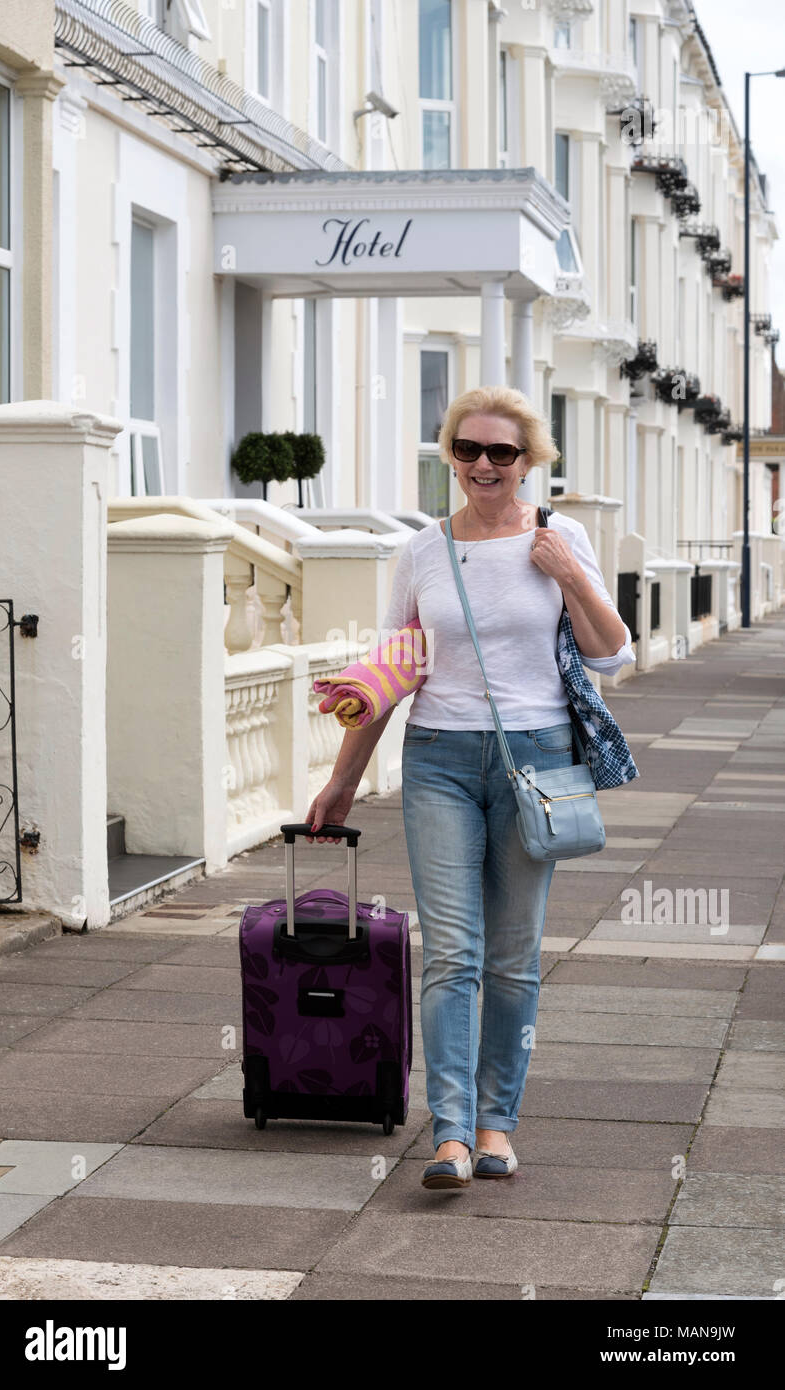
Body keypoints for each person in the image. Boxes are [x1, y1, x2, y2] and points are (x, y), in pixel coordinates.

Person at [305, 385, 635, 1190]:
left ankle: (498, 1126)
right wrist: (342, 780)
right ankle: (451, 1135)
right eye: (468, 450)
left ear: (530, 461)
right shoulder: (422, 550)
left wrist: (569, 578)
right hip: (439, 762)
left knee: (515, 958)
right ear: (450, 455)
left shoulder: (563, 536)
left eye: (503, 453)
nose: (484, 466)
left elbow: (611, 650)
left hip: (538, 757)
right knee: (452, 952)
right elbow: (392, 671)